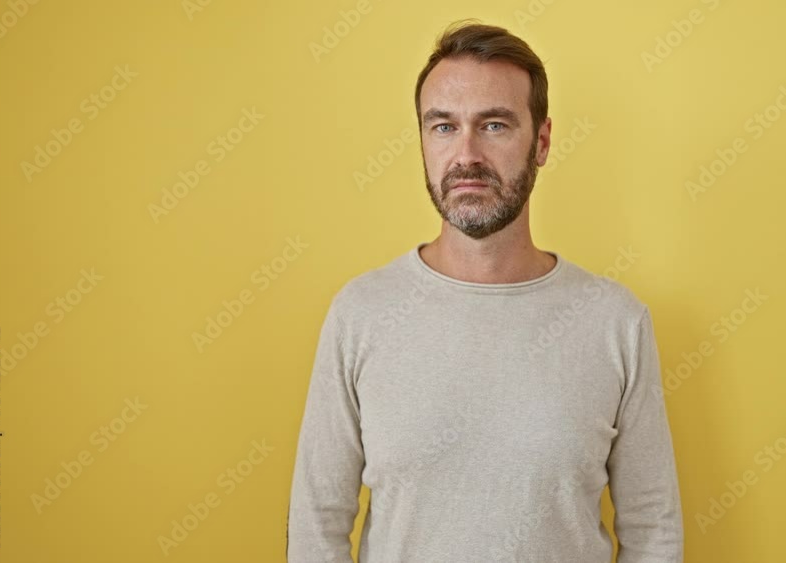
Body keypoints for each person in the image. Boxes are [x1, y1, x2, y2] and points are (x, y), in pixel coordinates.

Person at [287, 19, 684, 563]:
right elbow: (316, 525)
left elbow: (652, 528)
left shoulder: (616, 322)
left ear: (541, 142)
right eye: (443, 126)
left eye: (494, 125)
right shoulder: (361, 314)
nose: (466, 155)